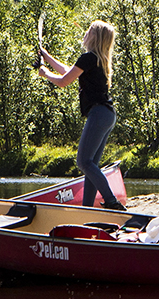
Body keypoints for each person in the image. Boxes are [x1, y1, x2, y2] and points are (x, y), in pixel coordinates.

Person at [38, 19, 124, 210]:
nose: (86, 32)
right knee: (91, 164)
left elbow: (63, 81)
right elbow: (68, 71)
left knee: (84, 162)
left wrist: (45, 74)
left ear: (96, 37)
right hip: (108, 115)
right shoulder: (97, 59)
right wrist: (46, 56)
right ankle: (87, 208)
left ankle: (111, 201)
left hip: (98, 113)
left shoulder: (88, 58)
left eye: (90, 30)